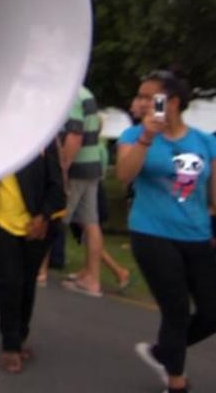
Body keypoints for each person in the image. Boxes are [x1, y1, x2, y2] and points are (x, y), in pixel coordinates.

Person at [117, 70, 216, 393]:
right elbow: (124, 174)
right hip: (151, 233)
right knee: (175, 310)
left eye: (151, 97)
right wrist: (147, 139)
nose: (143, 103)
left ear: (173, 102)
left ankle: (163, 351)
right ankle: (176, 383)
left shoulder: (206, 142)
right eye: (141, 97)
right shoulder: (132, 136)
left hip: (196, 236)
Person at [0, 141, 65, 374]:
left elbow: (57, 185)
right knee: (10, 281)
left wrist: (45, 216)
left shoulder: (43, 137)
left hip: (35, 225)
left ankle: (20, 336)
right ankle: (10, 344)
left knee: (27, 282)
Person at [59, 86, 131, 297]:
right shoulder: (87, 94)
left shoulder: (72, 95)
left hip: (76, 168)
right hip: (91, 167)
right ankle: (93, 276)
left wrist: (63, 169)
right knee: (90, 223)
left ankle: (40, 271)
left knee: (58, 218)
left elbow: (74, 135)